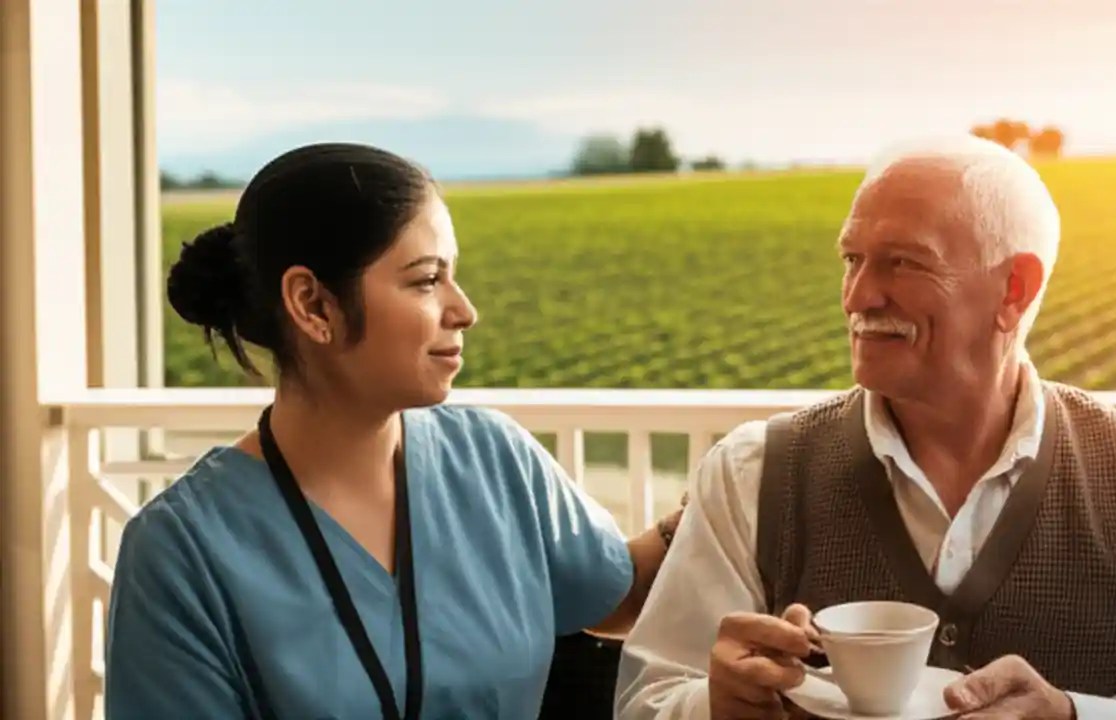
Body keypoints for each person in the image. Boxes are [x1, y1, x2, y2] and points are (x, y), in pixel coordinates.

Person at [614, 136, 1116, 719]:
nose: (859, 297)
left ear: (1014, 289)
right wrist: (713, 707)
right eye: (852, 259)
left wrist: (1075, 716)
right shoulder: (751, 473)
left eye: (903, 262)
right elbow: (648, 699)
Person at [104, 142, 685, 720]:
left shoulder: (495, 459)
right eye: (427, 280)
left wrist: (742, 481)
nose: (464, 310)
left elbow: (617, 593)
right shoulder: (180, 553)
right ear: (314, 306)